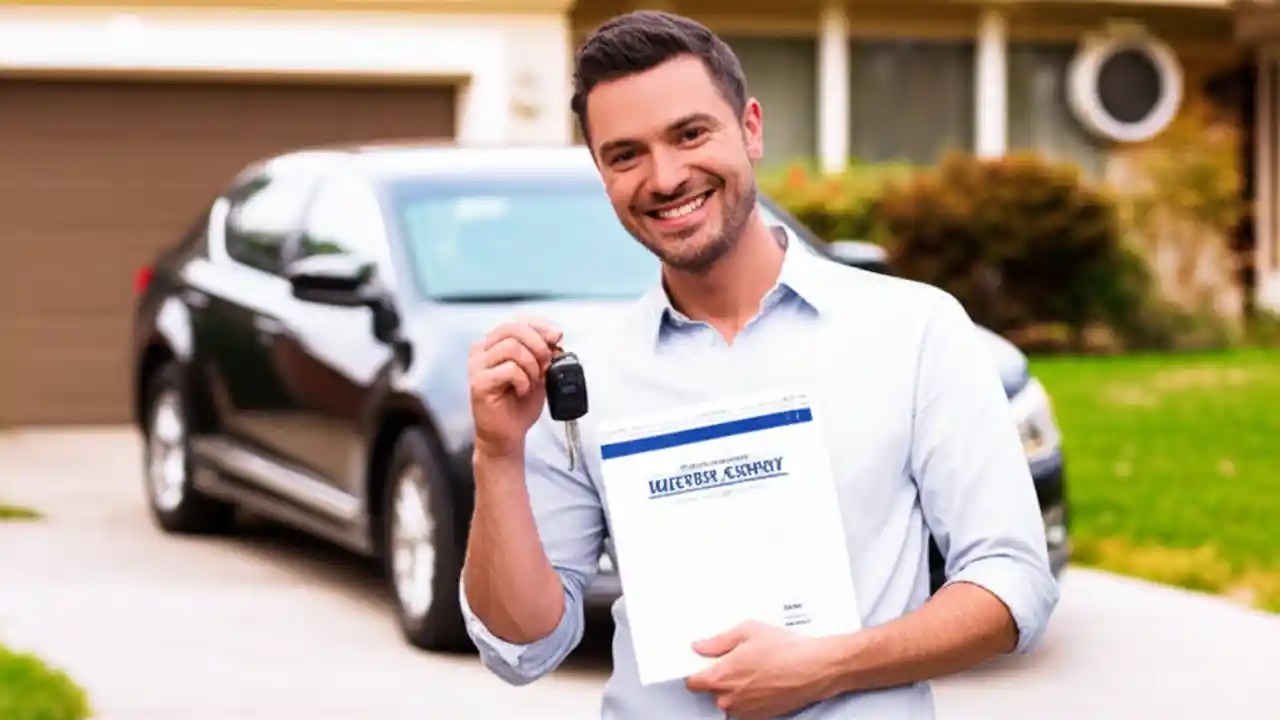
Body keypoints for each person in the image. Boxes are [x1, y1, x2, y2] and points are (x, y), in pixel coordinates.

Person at [459, 10, 1059, 719]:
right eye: (626, 154)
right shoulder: (585, 376)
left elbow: (1011, 583)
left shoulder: (913, 330)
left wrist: (828, 667)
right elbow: (524, 645)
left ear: (749, 128)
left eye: (690, 134)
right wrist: (496, 453)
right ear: (601, 171)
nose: (666, 177)